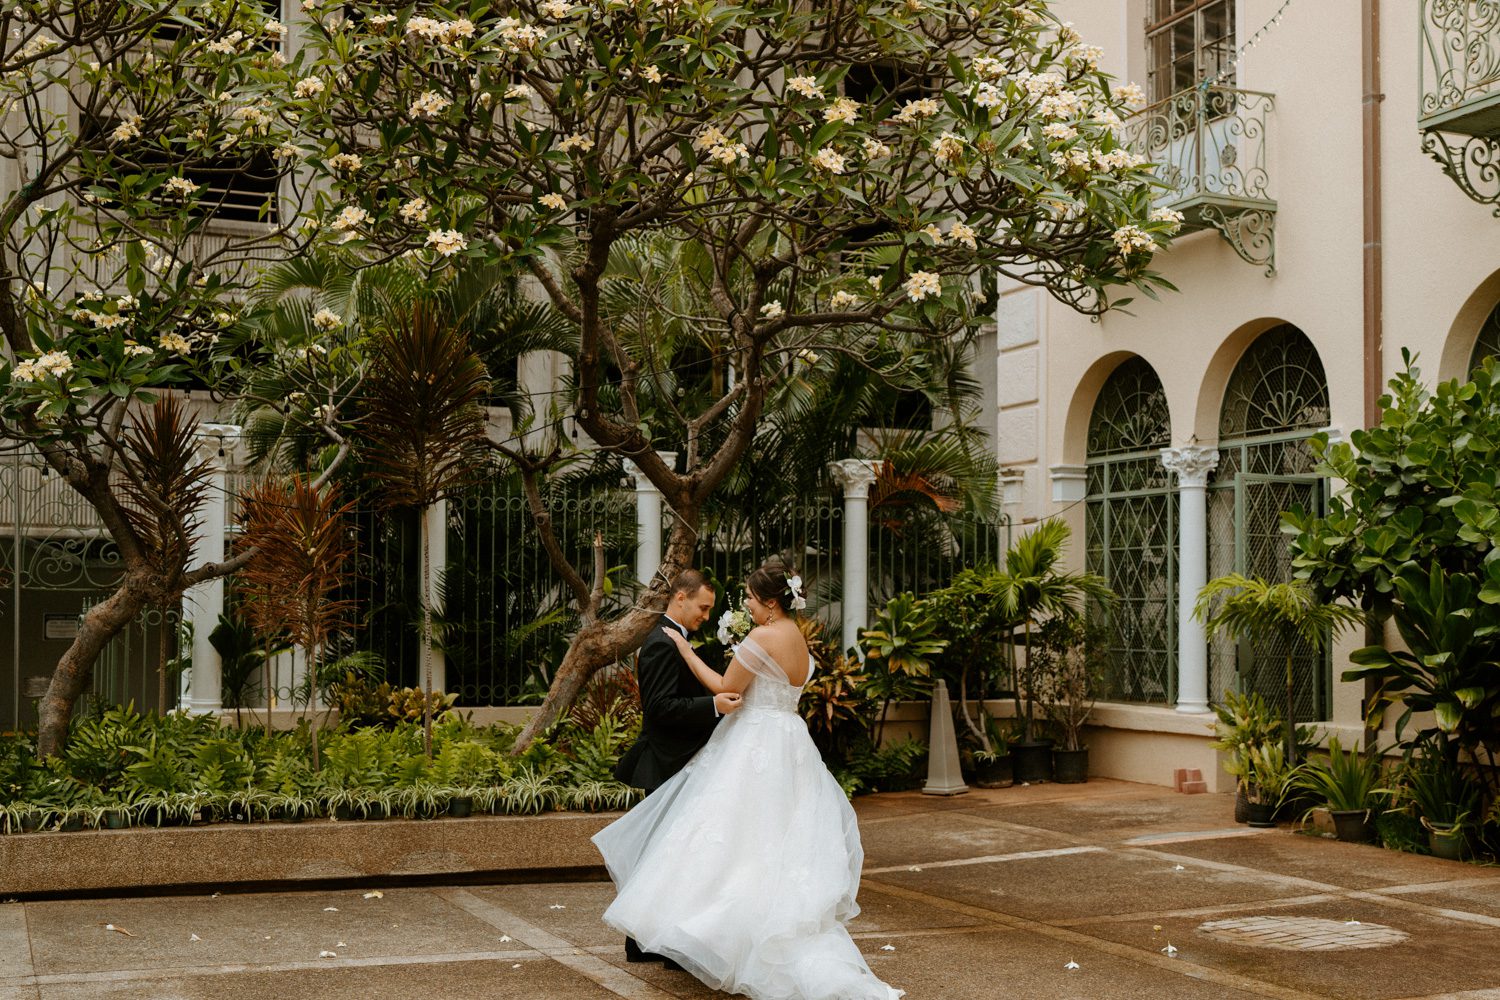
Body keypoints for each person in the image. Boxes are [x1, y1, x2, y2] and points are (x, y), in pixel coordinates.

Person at [594, 565, 903, 1000]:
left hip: (754, 740)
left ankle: (721, 936)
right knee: (775, 840)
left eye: (751, 600)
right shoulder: (798, 638)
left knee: (735, 841)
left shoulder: (762, 638)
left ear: (771, 601)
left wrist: (686, 652)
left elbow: (727, 689)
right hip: (790, 743)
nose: (747, 607)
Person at [611, 568, 743, 968]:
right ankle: (645, 943)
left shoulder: (678, 640)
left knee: (669, 857)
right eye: (703, 607)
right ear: (680, 598)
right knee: (660, 857)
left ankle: (659, 941)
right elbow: (660, 709)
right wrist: (714, 707)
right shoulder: (660, 644)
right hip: (665, 762)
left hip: (681, 761)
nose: (706, 616)